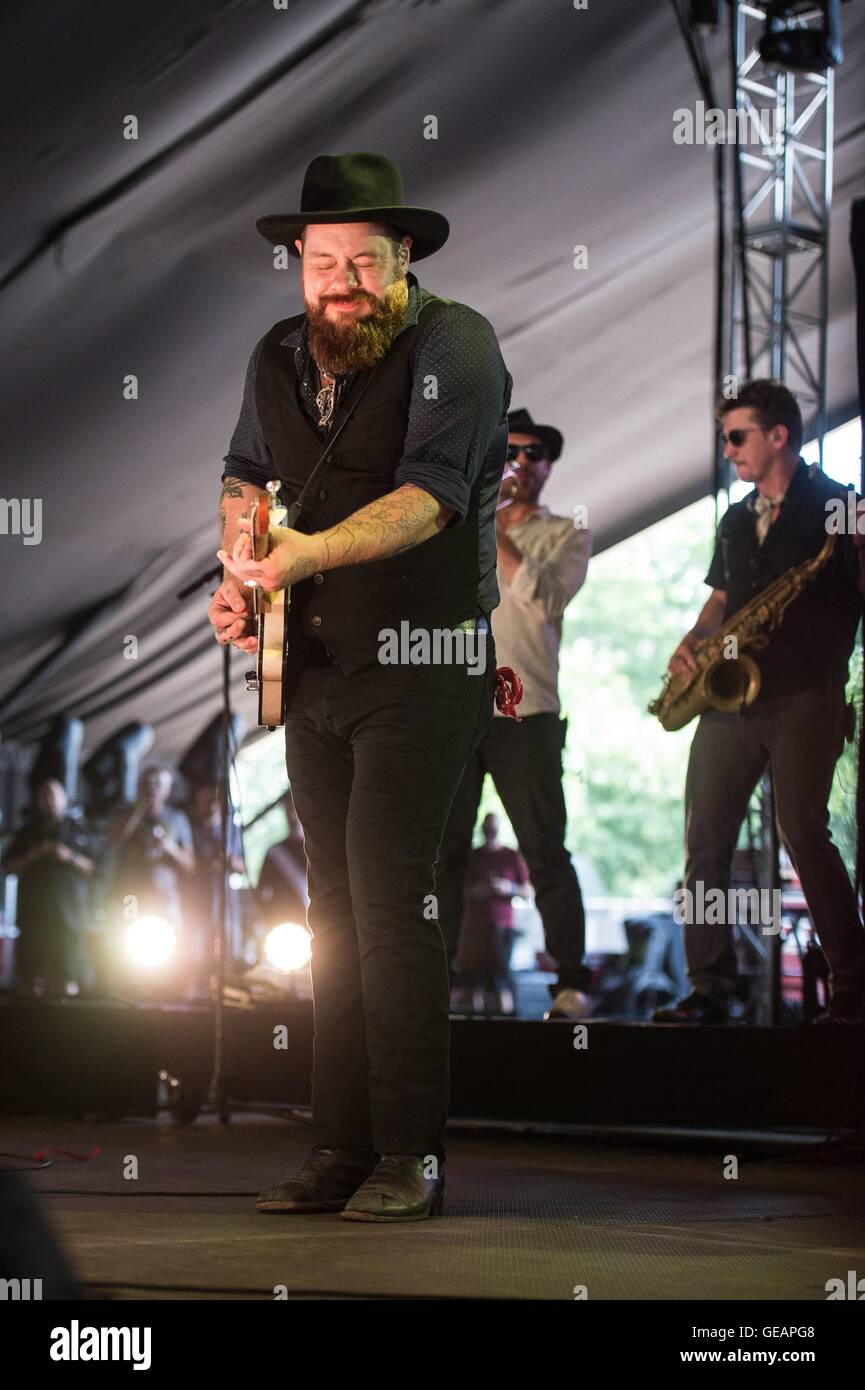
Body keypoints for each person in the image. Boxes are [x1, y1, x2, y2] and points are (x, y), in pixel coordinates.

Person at [208, 152, 512, 1220]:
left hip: (423, 666)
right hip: (316, 672)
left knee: (391, 903)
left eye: (363, 262)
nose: (340, 281)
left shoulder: (455, 344)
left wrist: (301, 556)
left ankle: (409, 1158)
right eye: (321, 260)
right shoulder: (276, 354)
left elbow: (429, 501)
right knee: (332, 914)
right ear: (297, 262)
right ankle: (337, 1150)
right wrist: (242, 572)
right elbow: (245, 476)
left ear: (405, 256)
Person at [654, 379, 865, 1027]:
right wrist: (691, 644)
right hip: (729, 694)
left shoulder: (837, 506)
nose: (727, 450)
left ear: (778, 435)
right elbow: (720, 602)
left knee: (802, 831)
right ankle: (707, 987)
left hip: (805, 690)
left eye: (735, 436)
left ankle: (854, 988)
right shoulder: (735, 518)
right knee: (702, 841)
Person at [436, 407, 593, 1020]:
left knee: (544, 849)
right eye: (513, 452)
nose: (522, 463)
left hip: (526, 707)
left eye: (535, 454)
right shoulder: (454, 524)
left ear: (549, 466)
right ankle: (434, 982)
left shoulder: (565, 534)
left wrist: (485, 525)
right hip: (454, 704)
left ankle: (571, 983)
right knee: (443, 850)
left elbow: (541, 599)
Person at [3, 778, 95, 995]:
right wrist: (35, 854)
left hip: (69, 915)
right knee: (31, 976)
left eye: (53, 795)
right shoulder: (27, 833)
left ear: (64, 798)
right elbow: (7, 867)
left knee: (67, 975)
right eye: (44, 795)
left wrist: (67, 856)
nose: (48, 800)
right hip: (34, 914)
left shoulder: (78, 830)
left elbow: (96, 868)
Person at [452, 812, 529, 1015]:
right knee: (473, 978)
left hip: (502, 927)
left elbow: (528, 891)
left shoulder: (510, 856)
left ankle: (510, 1019)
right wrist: (478, 890)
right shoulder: (473, 856)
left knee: (501, 976)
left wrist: (508, 888)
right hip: (473, 928)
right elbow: (457, 891)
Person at [109, 767, 195, 933]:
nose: (153, 789)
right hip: (131, 897)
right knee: (125, 938)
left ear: (167, 790)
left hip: (165, 897)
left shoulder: (177, 819)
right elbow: (116, 840)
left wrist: (170, 848)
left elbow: (190, 864)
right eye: (147, 784)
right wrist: (139, 808)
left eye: (158, 784)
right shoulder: (126, 814)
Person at [184, 782, 244, 999]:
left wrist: (227, 860)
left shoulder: (232, 829)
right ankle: (195, 993)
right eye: (208, 799)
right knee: (196, 946)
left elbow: (242, 866)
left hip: (226, 899)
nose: (212, 805)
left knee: (227, 945)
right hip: (197, 898)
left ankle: (226, 992)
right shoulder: (190, 827)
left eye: (216, 800)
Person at [257, 793, 309, 930]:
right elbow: (261, 890)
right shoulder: (274, 853)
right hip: (283, 927)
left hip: (315, 926)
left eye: (295, 808)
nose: (292, 813)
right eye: (288, 808)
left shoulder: (318, 850)